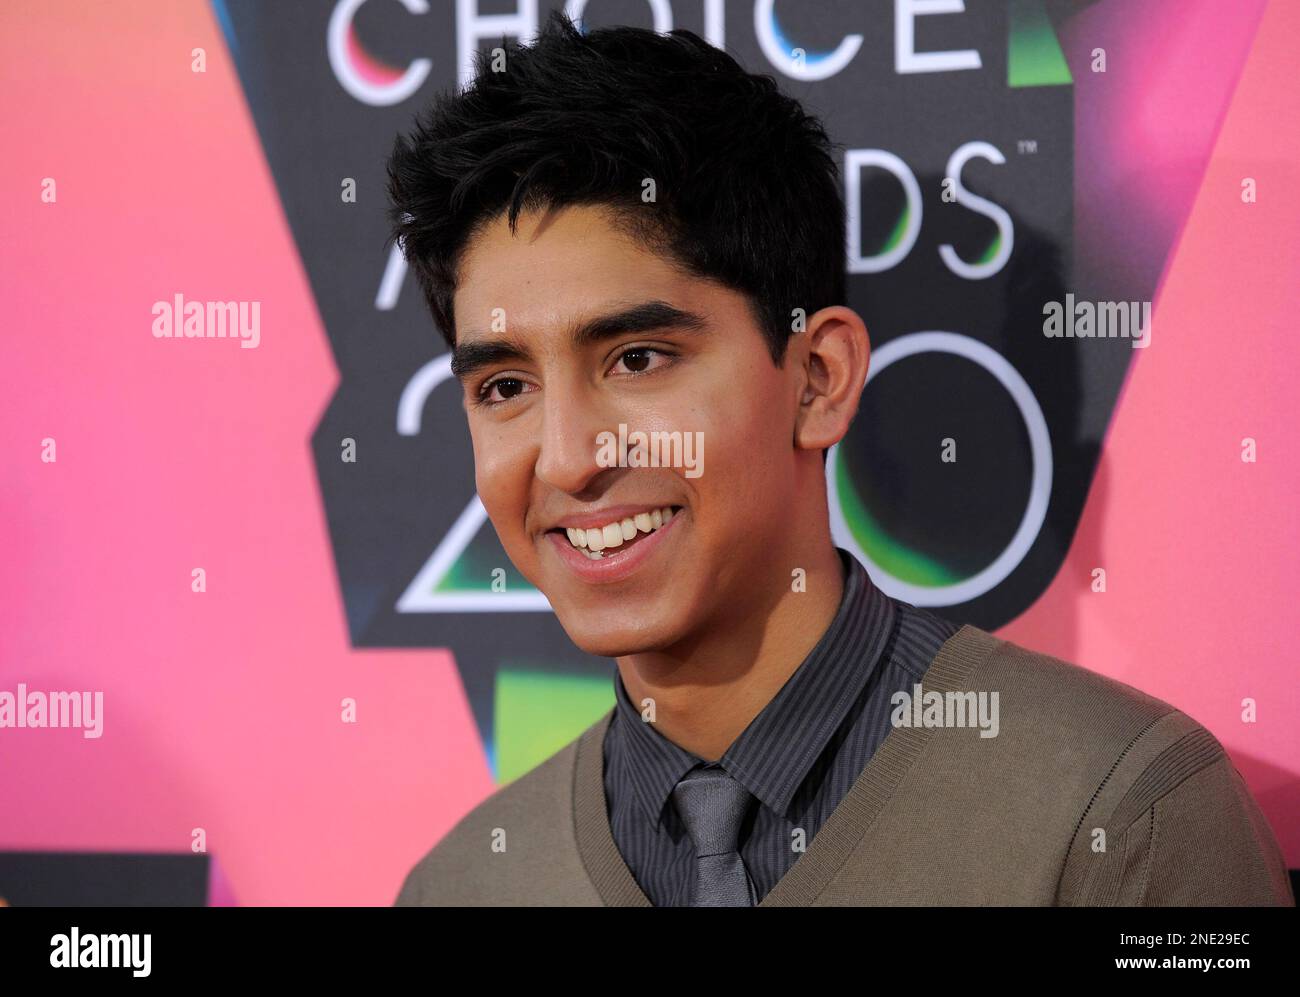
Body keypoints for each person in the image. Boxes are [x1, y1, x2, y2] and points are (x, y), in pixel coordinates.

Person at [384, 11, 1293, 906]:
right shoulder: (462, 885)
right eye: (504, 387)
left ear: (817, 377)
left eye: (638, 359)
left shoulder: (1121, 822)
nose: (570, 459)